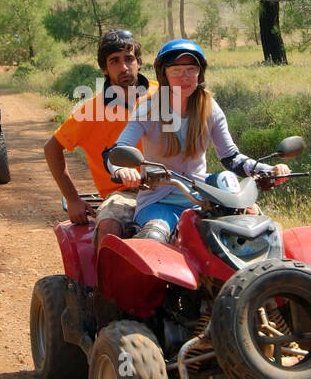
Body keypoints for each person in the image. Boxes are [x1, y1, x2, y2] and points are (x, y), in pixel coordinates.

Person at [112, 39, 289, 244]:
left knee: (254, 234)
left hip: (205, 200)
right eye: (176, 70)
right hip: (159, 201)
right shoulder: (147, 109)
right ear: (164, 74)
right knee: (154, 237)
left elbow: (231, 158)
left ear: (200, 73)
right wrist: (120, 170)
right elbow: (116, 152)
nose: (184, 77)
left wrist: (270, 170)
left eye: (191, 69)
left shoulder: (209, 107)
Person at [44, 30, 155, 249]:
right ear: (105, 68)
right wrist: (73, 198)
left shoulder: (163, 95)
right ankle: (105, 283)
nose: (124, 67)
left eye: (129, 59)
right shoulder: (91, 110)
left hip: (170, 185)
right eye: (115, 61)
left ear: (139, 62)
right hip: (124, 194)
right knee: (108, 226)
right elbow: (52, 148)